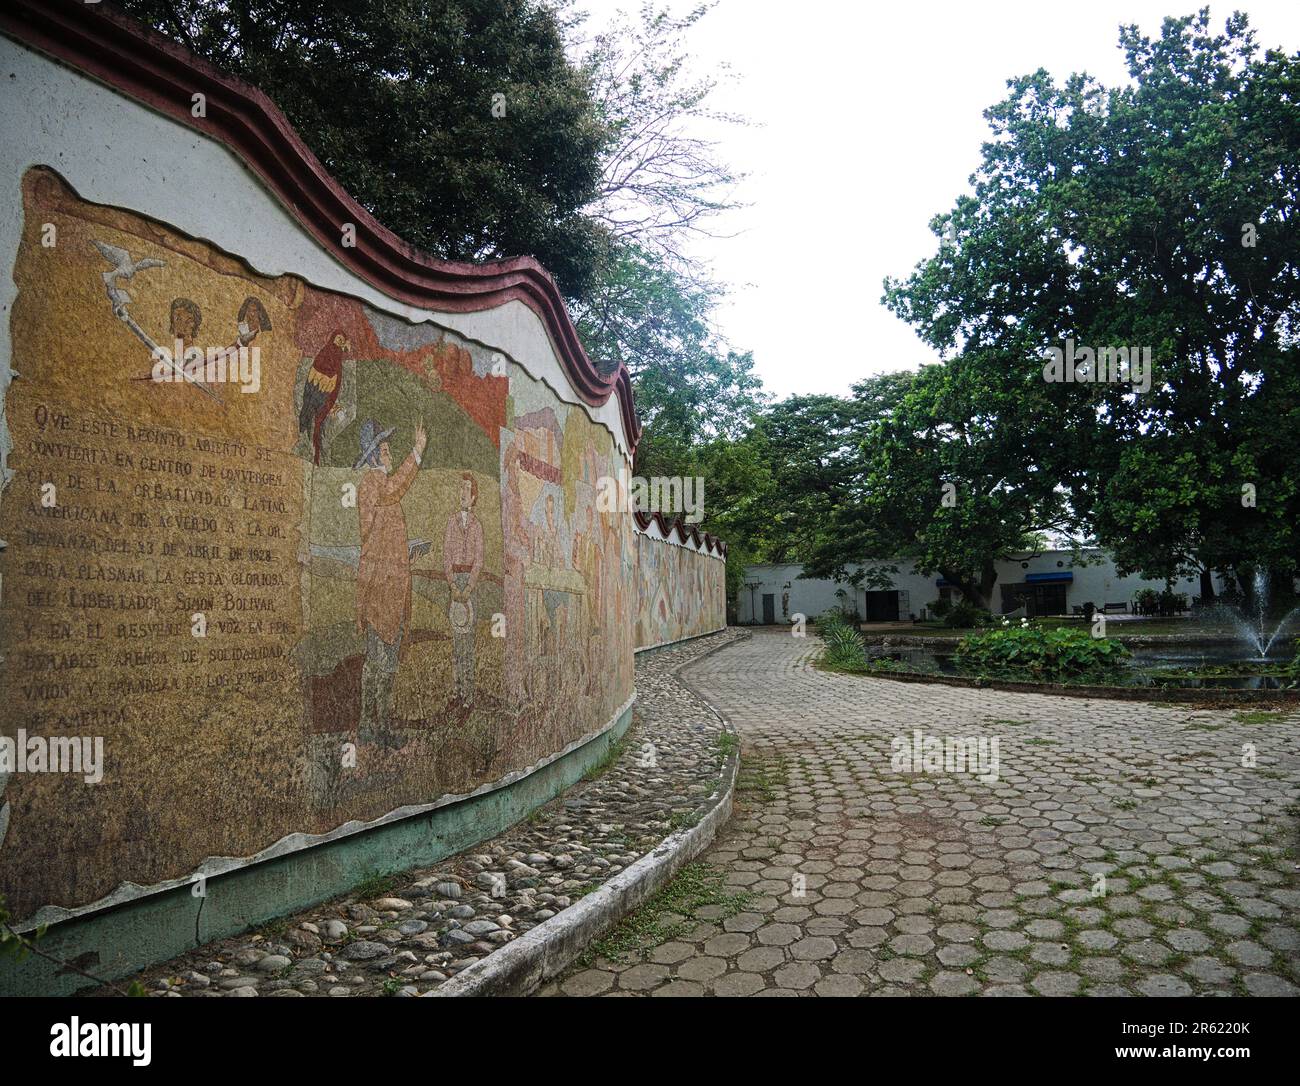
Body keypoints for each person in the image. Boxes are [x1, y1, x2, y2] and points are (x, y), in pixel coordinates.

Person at [354, 417, 427, 747]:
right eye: (384, 450)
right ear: (372, 457)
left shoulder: (380, 489)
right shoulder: (373, 484)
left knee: (386, 664)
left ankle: (377, 726)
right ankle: (371, 727)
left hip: (392, 587)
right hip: (379, 590)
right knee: (378, 663)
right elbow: (393, 489)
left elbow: (386, 536)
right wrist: (416, 453)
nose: (389, 454)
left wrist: (405, 553)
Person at [443, 472, 484, 704]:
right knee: (457, 639)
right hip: (455, 580)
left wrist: (469, 586)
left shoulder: (477, 526)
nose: (462, 493)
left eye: (466, 490)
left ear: (473, 496)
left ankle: (469, 691)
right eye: (460, 488)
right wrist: (452, 584)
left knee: (468, 639)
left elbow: (479, 559)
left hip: (470, 583)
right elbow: (446, 555)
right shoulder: (452, 522)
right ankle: (457, 690)